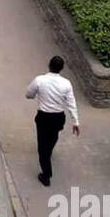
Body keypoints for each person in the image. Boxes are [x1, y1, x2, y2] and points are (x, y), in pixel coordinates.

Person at [25, 55, 80, 187]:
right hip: (58, 118)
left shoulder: (40, 80)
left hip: (44, 117)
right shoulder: (66, 83)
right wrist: (75, 121)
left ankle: (46, 175)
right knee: (53, 138)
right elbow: (71, 103)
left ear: (49, 65)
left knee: (42, 147)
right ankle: (48, 151)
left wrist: (35, 95)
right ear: (61, 68)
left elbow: (29, 94)